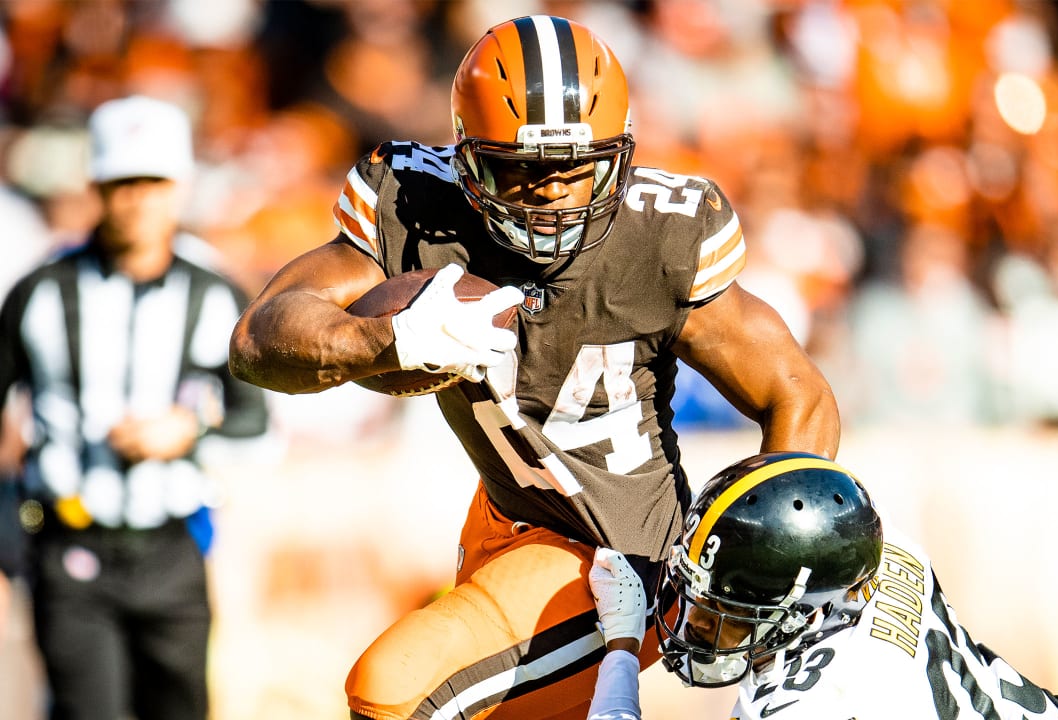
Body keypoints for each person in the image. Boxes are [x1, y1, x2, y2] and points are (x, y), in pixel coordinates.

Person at [228, 14, 839, 720]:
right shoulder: (417, 204)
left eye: (575, 169)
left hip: (617, 562)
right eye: (522, 170)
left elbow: (798, 394)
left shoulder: (659, 235)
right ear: (465, 159)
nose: (550, 191)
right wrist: (390, 340)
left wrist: (766, 563)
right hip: (503, 519)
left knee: (395, 689)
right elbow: (258, 340)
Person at [0, 94, 270, 720]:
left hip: (172, 549)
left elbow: (257, 421)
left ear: (179, 187)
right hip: (68, 547)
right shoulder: (41, 291)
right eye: (123, 183)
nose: (139, 199)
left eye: (153, 182)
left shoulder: (215, 291)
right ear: (96, 186)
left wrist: (190, 430)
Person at [585, 451, 1058, 720]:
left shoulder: (808, 706)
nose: (696, 628)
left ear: (808, 612)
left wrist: (619, 647)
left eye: (726, 612)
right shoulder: (886, 558)